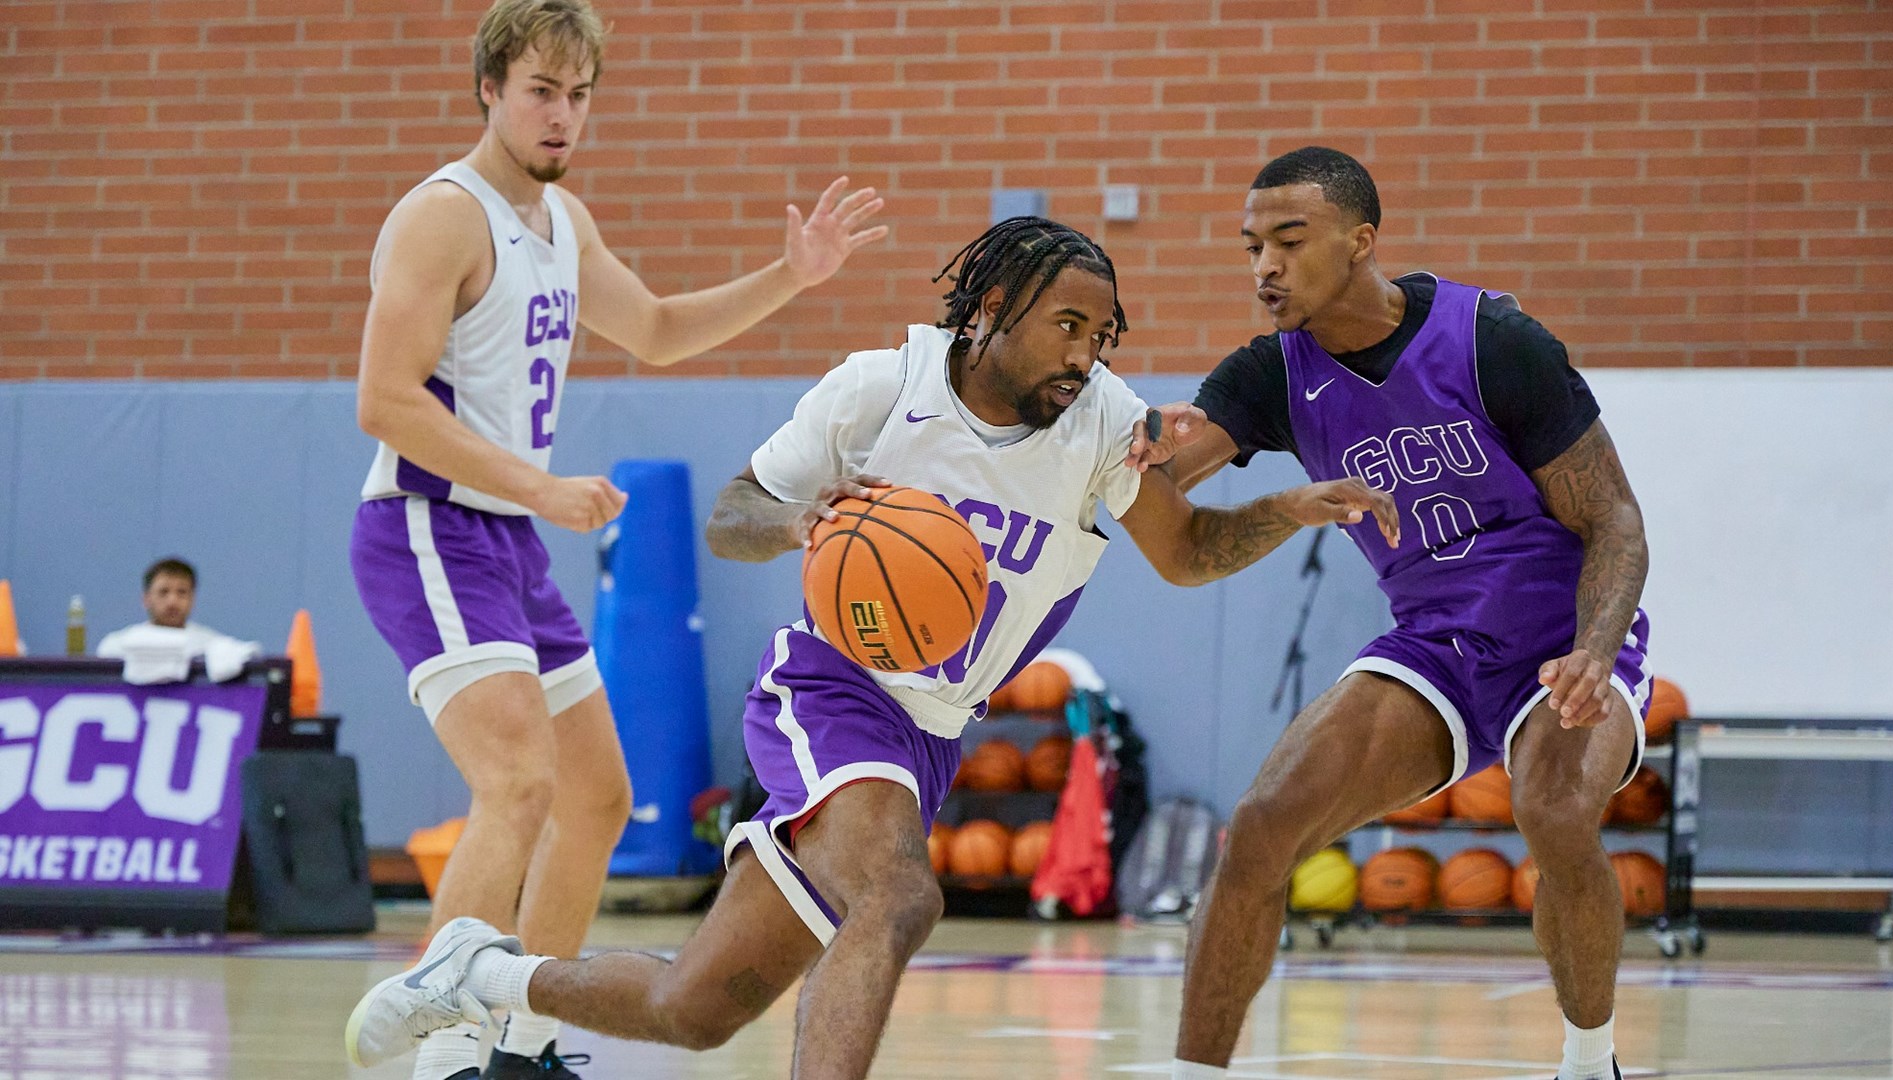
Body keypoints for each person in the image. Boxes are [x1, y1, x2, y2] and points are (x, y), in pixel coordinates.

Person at [344, 215, 1399, 1080]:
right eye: (1067, 326)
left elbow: (1187, 552)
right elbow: (734, 515)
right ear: (989, 311)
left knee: (696, 1005)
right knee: (900, 896)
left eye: (1101, 333)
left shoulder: (1102, 425)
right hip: (830, 691)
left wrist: (1290, 508)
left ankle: (481, 974)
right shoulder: (881, 387)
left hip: (930, 737)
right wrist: (806, 522)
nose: (1086, 354)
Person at [343, 1, 886, 1077]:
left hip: (511, 540)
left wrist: (794, 277)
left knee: (596, 794)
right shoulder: (442, 216)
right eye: (542, 91)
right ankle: (439, 1049)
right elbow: (385, 401)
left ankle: (521, 1044)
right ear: (490, 88)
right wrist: (537, 486)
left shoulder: (564, 224)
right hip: (428, 527)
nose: (563, 116)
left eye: (579, 95)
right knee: (517, 783)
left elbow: (658, 330)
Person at [1128, 147, 1650, 1080]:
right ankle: (1193, 1073)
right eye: (1252, 248)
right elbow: (1170, 476)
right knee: (1261, 823)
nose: (1265, 269)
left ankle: (1589, 1060)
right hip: (1436, 647)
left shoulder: (1492, 340)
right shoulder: (1268, 376)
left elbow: (1612, 518)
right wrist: (1121, 444)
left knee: (1553, 805)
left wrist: (1595, 651)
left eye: (1290, 241)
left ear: (1360, 240)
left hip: (1559, 637)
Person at [95, 558, 224, 657]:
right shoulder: (117, 648)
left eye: (182, 592)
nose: (172, 602)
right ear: (146, 599)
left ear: (192, 599)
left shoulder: (213, 649)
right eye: (163, 592)